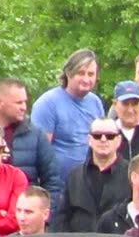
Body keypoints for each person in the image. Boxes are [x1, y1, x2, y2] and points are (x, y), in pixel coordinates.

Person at [31, 49, 106, 179]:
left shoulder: (96, 103)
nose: (86, 79)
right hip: (58, 184)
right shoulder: (48, 103)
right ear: (68, 73)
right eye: (81, 73)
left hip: (90, 181)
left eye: (91, 74)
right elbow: (40, 152)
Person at [56, 117, 132, 233]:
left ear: (119, 140)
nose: (103, 139)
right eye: (97, 135)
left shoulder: (131, 175)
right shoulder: (75, 175)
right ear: (89, 140)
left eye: (110, 136)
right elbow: (62, 217)